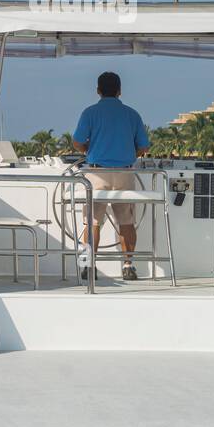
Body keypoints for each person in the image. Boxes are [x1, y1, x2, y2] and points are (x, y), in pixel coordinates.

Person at [72, 71, 150, 281]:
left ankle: (89, 266)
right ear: (119, 91)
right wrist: (128, 153)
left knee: (92, 222)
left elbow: (77, 142)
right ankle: (128, 266)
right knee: (126, 221)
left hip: (97, 173)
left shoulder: (90, 113)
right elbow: (143, 146)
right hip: (124, 172)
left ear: (98, 90)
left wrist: (90, 149)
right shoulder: (132, 114)